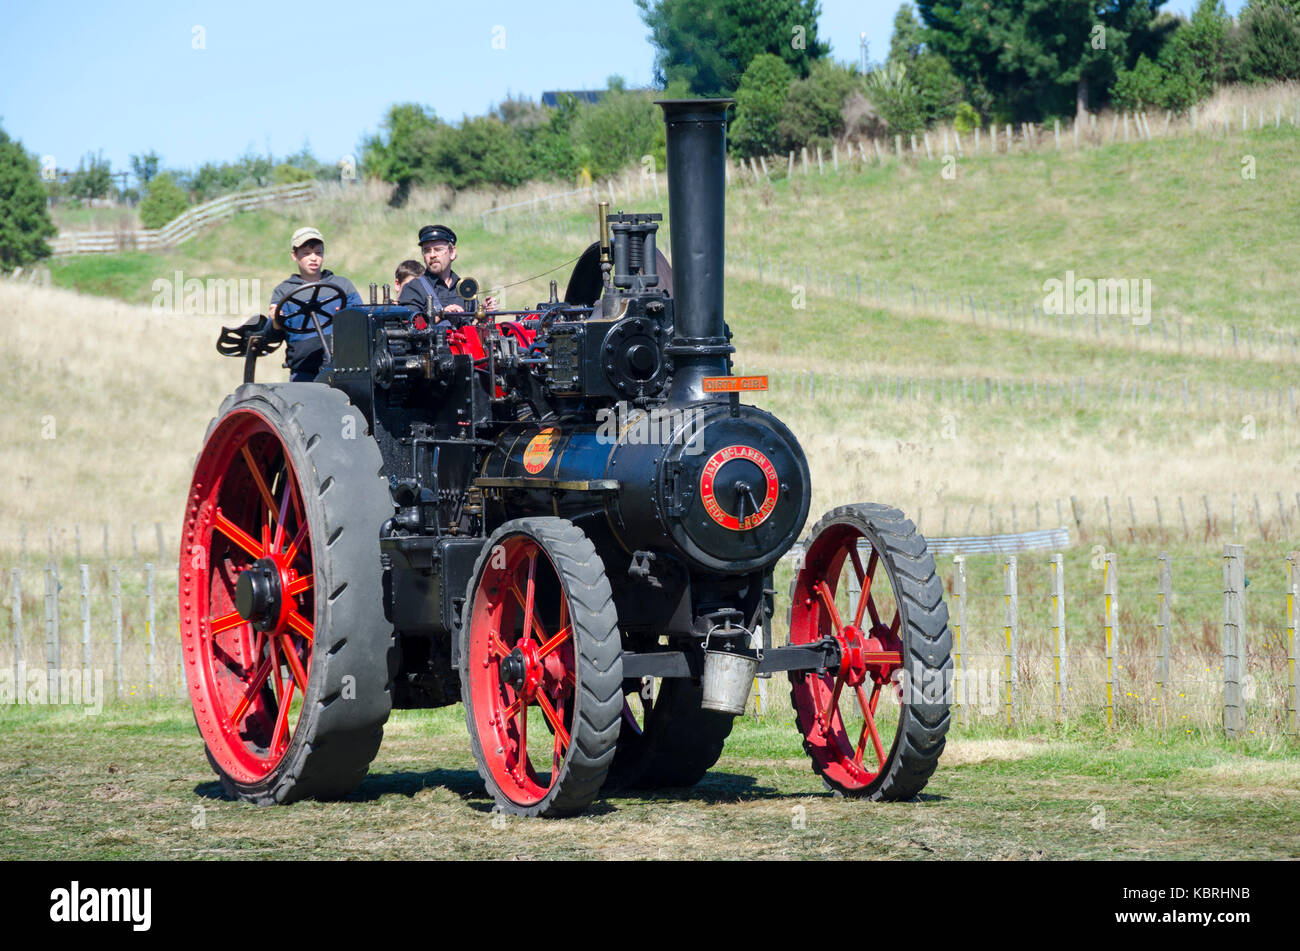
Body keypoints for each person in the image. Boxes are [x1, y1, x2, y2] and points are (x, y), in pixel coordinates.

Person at [268, 227, 363, 381]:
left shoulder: (342, 285)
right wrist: (275, 322)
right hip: (303, 371)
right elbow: (272, 336)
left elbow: (360, 321)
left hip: (343, 368)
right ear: (294, 255)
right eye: (306, 253)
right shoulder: (283, 291)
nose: (314, 258)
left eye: (318, 253)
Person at [396, 224, 497, 326]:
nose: (432, 255)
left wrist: (484, 313)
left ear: (452, 252)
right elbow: (409, 326)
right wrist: (440, 315)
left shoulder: (465, 288)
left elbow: (474, 327)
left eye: (438, 249)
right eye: (427, 250)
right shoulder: (413, 288)